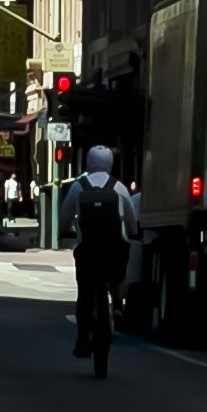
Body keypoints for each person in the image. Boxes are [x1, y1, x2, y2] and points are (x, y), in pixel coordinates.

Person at [64, 146, 134, 379]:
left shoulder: (78, 186)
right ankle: (117, 306)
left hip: (88, 251)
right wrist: (131, 232)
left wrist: (64, 231)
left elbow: (63, 219)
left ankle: (83, 339)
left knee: (85, 292)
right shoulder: (120, 187)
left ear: (88, 162)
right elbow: (132, 224)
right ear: (110, 163)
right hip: (114, 252)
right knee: (119, 272)